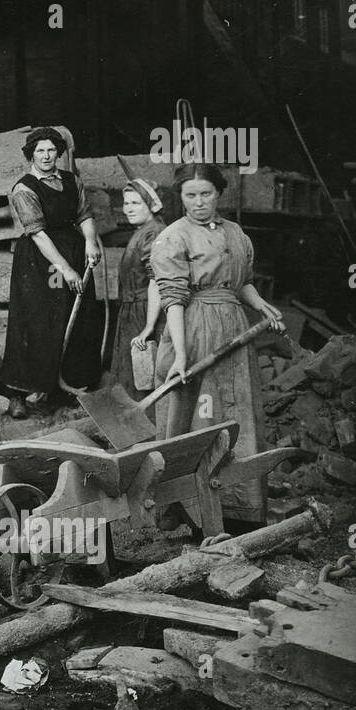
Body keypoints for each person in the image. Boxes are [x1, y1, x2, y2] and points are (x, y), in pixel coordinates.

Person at [150, 162, 285, 525]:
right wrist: (180, 355)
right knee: (199, 418)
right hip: (194, 330)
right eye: (190, 195)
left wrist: (260, 305)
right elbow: (173, 300)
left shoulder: (236, 233)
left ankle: (238, 508)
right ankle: (192, 511)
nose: (198, 202)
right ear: (179, 198)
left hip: (234, 330)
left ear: (219, 193)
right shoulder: (173, 237)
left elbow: (240, 282)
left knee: (236, 412)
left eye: (205, 194)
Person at [1, 127, 103, 419]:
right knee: (38, 319)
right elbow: (38, 234)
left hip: (73, 249)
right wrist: (67, 270)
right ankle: (18, 392)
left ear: (59, 153)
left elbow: (84, 215)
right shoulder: (25, 188)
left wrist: (90, 242)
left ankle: (64, 388)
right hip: (41, 260)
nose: (46, 156)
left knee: (77, 315)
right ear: (30, 153)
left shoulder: (72, 181)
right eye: (40, 150)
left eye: (51, 150)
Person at [111, 178, 167, 398]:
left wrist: (149, 327)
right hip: (133, 310)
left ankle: (147, 428)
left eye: (135, 203)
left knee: (143, 376)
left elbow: (156, 283)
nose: (128, 209)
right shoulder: (143, 231)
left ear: (151, 205)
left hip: (144, 312)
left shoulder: (154, 233)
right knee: (133, 375)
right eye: (126, 203)